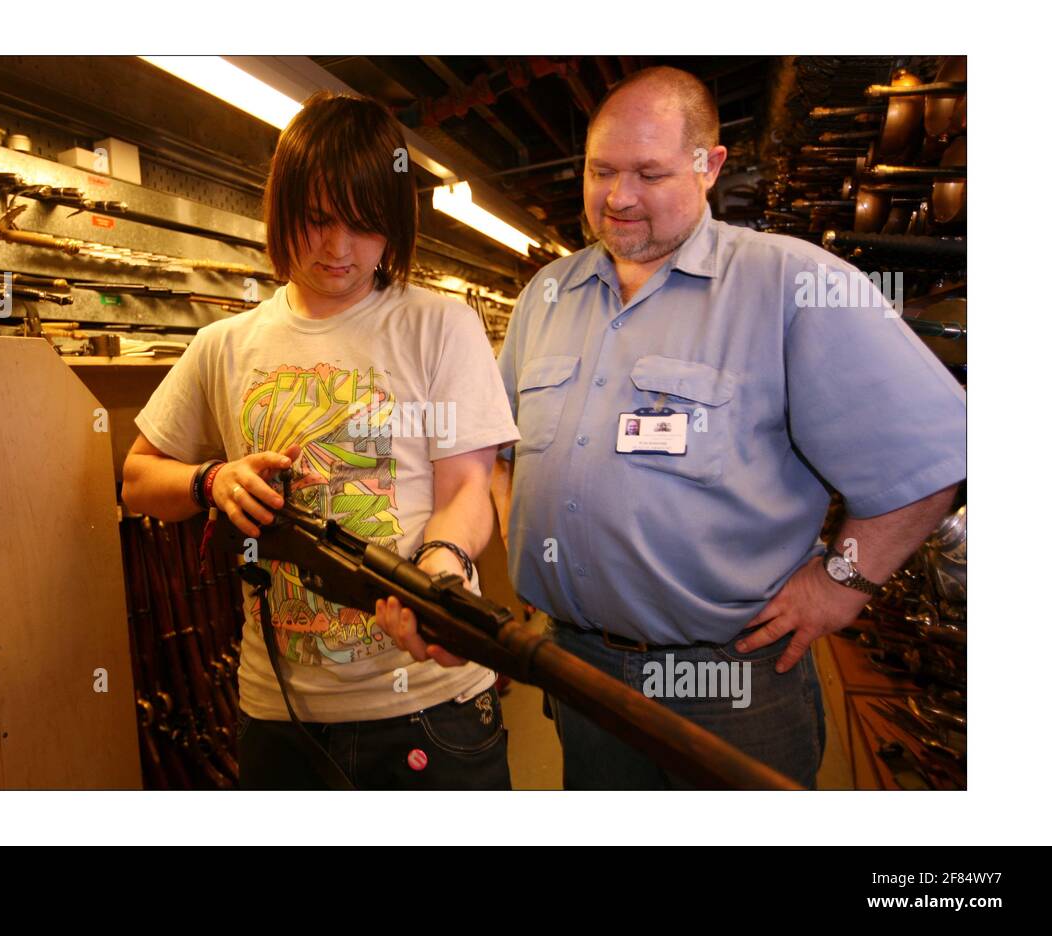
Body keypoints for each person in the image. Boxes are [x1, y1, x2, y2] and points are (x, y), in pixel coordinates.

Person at [379, 66, 965, 789]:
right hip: (576, 666)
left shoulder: (789, 286)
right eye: (601, 171)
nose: (619, 197)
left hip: (730, 684)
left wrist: (841, 583)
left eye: (650, 173)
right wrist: (534, 540)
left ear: (709, 166)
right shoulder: (547, 296)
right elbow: (499, 450)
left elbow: (934, 451)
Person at [121, 91, 520, 790]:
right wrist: (212, 481)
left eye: (366, 226)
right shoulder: (224, 345)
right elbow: (136, 477)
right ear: (283, 212)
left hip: (432, 708)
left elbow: (466, 489)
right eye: (317, 220)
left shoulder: (440, 326)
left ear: (395, 225)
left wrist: (443, 570)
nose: (339, 249)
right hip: (279, 716)